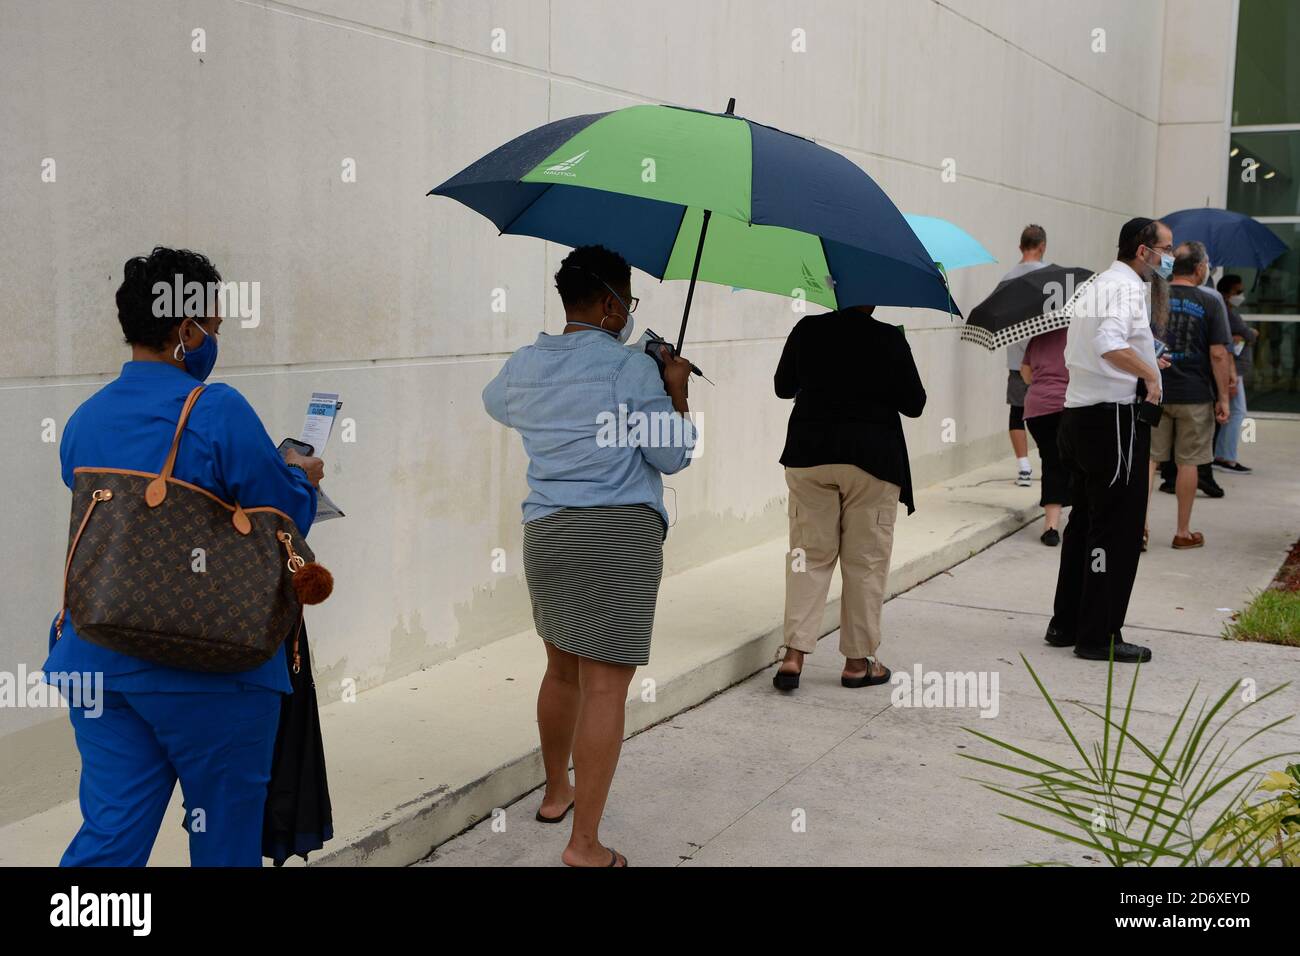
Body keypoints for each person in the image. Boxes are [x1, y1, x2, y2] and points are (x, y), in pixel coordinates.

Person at [46, 247, 323, 866]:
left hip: (98, 659)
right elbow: (284, 516)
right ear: (184, 329)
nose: (214, 339)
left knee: (111, 834)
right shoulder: (216, 408)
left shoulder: (84, 419)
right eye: (214, 327)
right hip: (209, 667)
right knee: (223, 839)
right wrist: (301, 474)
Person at [482, 244, 694, 868]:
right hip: (617, 537)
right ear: (609, 303)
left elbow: (496, 403)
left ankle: (556, 794)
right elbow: (673, 455)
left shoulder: (524, 363)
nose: (628, 313)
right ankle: (585, 845)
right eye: (626, 302)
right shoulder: (630, 370)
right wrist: (676, 391)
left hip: (547, 533)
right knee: (606, 687)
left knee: (561, 672)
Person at [771, 305, 926, 690]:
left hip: (809, 455)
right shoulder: (890, 338)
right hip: (871, 461)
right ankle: (857, 663)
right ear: (873, 300)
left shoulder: (807, 329)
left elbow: (783, 387)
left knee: (808, 555)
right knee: (865, 562)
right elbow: (915, 404)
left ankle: (793, 656)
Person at [1044, 217, 1171, 664]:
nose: (1167, 259)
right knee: (1116, 527)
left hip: (1078, 414)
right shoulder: (1129, 288)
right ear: (1143, 251)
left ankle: (1067, 621)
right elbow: (1107, 343)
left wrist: (1148, 361)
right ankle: (1100, 634)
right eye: (1164, 249)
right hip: (1113, 418)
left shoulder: (1094, 285)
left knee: (1085, 521)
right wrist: (1150, 377)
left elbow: (1091, 344)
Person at [1145, 241, 1231, 550]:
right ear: (1199, 269)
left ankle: (1138, 529)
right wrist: (1223, 398)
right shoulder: (1211, 301)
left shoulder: (1155, 296)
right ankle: (1182, 531)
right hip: (1194, 395)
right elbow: (1219, 354)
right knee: (1189, 463)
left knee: (1149, 461)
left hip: (1156, 391)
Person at [1002, 225, 1049, 486]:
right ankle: (1049, 458)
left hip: (1015, 359)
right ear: (1042, 246)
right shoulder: (1052, 276)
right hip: (1045, 360)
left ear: (1021, 247)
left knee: (1017, 412)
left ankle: (1023, 468)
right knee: (1047, 413)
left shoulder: (1007, 279)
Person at [1019, 326, 1070, 545]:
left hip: (1037, 409)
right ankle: (1082, 522)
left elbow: (1026, 374)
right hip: (1068, 406)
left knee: (1051, 462)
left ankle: (1051, 526)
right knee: (1076, 464)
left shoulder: (1039, 335)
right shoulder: (1079, 334)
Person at [1213, 273, 1258, 472]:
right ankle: (1225, 457)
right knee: (1237, 412)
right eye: (1237, 291)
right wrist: (1250, 333)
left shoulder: (1228, 309)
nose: (1241, 295)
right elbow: (1244, 334)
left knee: (1231, 412)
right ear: (1226, 292)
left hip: (1235, 369)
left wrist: (1245, 334)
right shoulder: (1225, 311)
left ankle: (1222, 455)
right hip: (1232, 371)